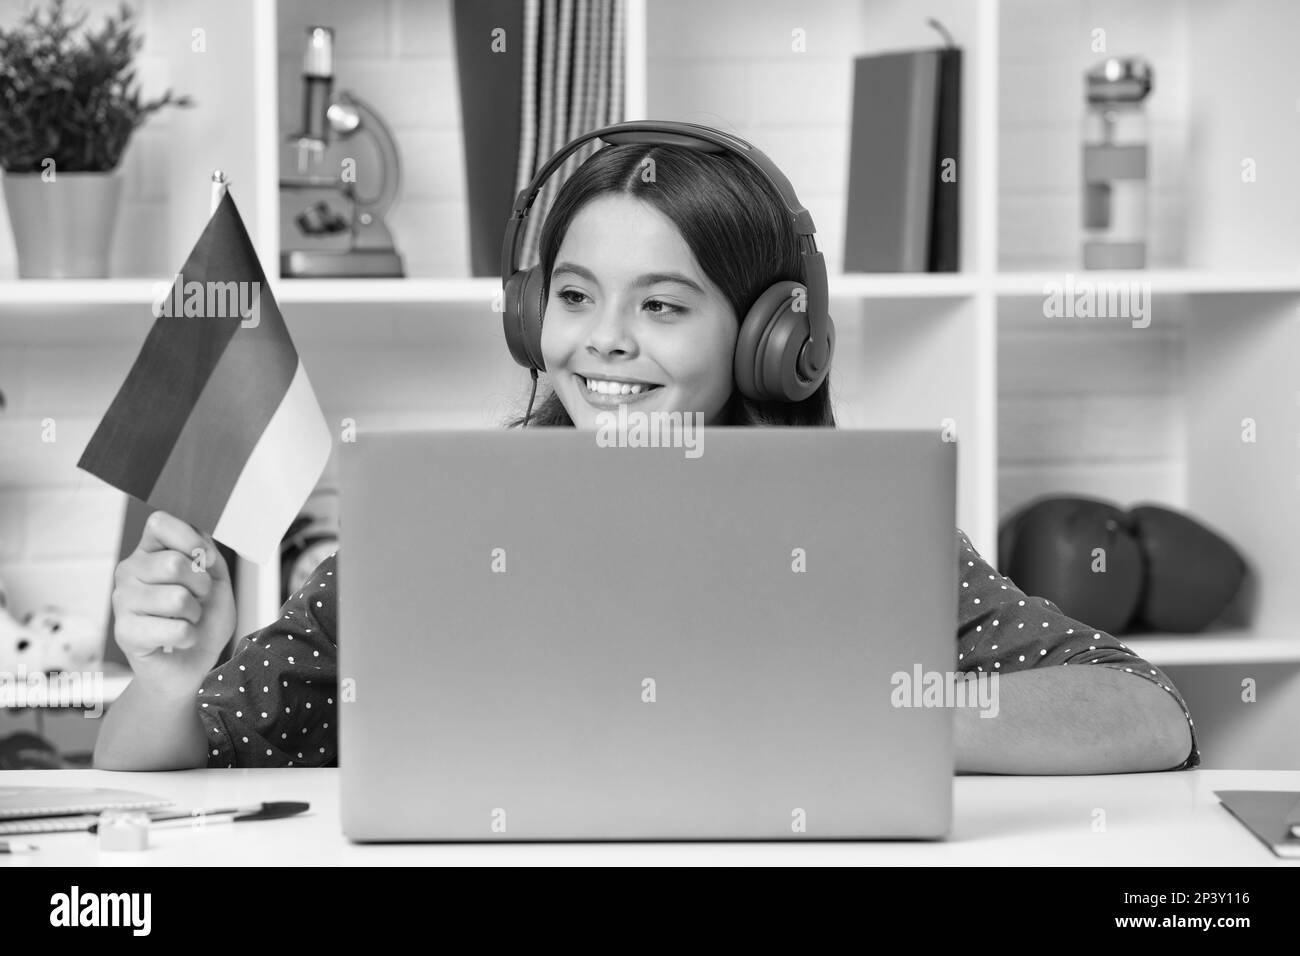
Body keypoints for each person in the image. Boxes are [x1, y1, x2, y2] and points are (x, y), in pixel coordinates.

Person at [94, 132, 1199, 775]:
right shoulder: (439, 520)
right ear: (531, 319)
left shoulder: (854, 525)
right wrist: (170, 682)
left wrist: (881, 714)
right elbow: (167, 758)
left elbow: (1149, 711)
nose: (606, 339)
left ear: (772, 342)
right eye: (574, 297)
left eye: (664, 304)